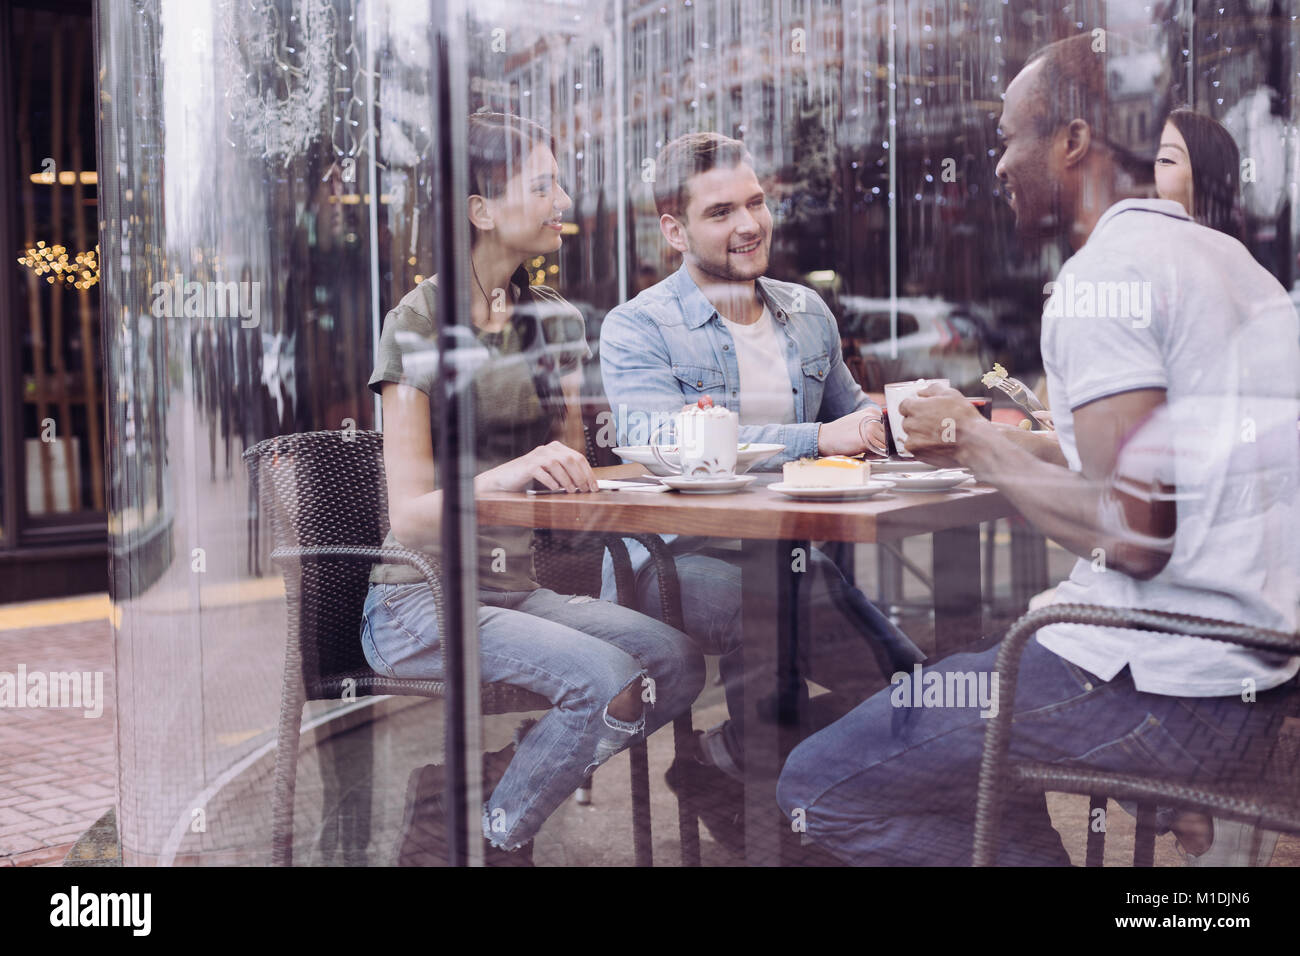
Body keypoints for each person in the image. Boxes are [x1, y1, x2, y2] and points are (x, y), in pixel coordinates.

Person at [777, 34, 1299, 866]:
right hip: (1252, 675)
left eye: (1008, 139)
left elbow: (1135, 536)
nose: (996, 166)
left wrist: (977, 438)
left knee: (815, 785)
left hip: (1156, 686)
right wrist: (1031, 449)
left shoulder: (1103, 281)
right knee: (957, 746)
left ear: (1073, 141)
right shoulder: (1234, 265)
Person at [360, 111, 705, 863]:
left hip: (513, 588)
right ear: (481, 210)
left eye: (560, 181)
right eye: (542, 185)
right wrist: (511, 472)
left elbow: (575, 478)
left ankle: (485, 785)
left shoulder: (556, 323)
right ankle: (493, 837)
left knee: (676, 663)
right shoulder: (415, 324)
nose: (564, 199)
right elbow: (411, 515)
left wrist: (683, 454)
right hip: (418, 598)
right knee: (610, 679)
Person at [599, 132, 924, 844]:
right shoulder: (638, 328)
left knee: (904, 681)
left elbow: (853, 421)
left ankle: (730, 763)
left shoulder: (806, 313)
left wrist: (905, 419)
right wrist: (816, 441)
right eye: (721, 213)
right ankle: (774, 811)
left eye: (756, 202)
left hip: (794, 559)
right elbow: (664, 444)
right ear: (675, 230)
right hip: (671, 562)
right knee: (794, 622)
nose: (749, 224)